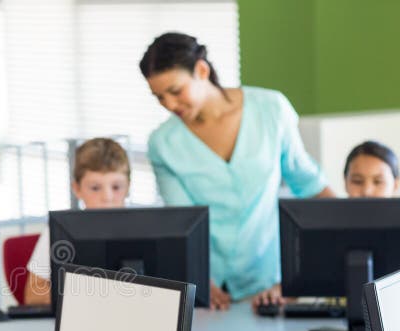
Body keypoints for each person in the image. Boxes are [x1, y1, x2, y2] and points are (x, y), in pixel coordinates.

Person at [140, 32, 335, 311]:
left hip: (268, 286)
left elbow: (309, 184)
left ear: (202, 70)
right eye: (159, 97)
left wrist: (346, 241)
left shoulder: (271, 109)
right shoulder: (163, 143)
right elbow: (180, 222)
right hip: (208, 290)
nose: (169, 105)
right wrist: (197, 278)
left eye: (175, 91)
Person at [253, 140, 399, 308]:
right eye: (357, 181)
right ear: (345, 181)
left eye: (378, 182)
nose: (366, 190)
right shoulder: (323, 229)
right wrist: (282, 292)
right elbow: (304, 280)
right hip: (335, 322)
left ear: (396, 183)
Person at [24, 137, 131, 306]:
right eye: (95, 188)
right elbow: (32, 296)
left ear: (128, 187)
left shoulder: (148, 228)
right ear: (77, 189)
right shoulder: (61, 229)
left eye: (116, 187)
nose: (107, 197)